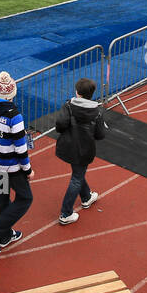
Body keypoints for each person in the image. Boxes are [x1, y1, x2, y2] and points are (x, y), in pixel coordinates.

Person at [0, 71, 31, 252]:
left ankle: (4, 236)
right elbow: (20, 147)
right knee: (25, 198)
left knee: (1, 198)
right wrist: (27, 169)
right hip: (11, 168)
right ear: (13, 93)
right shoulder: (14, 116)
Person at [54, 77, 107, 225]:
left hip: (68, 146)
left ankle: (86, 197)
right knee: (77, 177)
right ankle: (66, 213)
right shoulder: (97, 111)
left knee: (77, 173)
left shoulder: (69, 106)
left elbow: (60, 124)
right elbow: (100, 135)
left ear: (77, 92)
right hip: (84, 149)